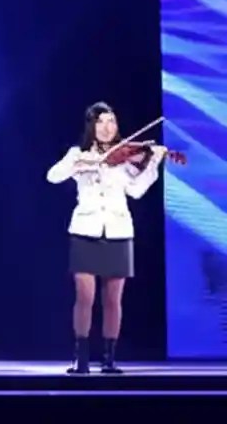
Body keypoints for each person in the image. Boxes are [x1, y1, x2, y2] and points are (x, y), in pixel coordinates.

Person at [47, 101, 165, 375]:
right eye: (100, 121)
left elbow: (135, 191)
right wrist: (78, 164)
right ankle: (81, 358)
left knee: (113, 299)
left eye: (111, 121)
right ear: (92, 126)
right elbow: (52, 176)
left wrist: (152, 165)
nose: (106, 127)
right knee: (85, 295)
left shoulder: (124, 157)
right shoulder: (78, 153)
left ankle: (109, 359)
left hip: (118, 231)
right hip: (85, 230)